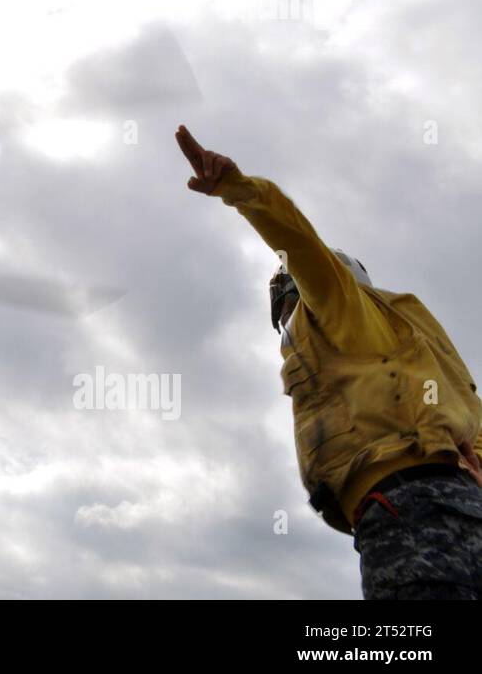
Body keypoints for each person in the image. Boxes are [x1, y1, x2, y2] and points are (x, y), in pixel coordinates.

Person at [175, 124, 482, 599]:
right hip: (464, 506)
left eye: (289, 306)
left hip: (407, 510)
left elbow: (299, 244)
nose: (291, 322)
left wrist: (238, 190)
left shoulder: (336, 309)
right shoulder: (418, 337)